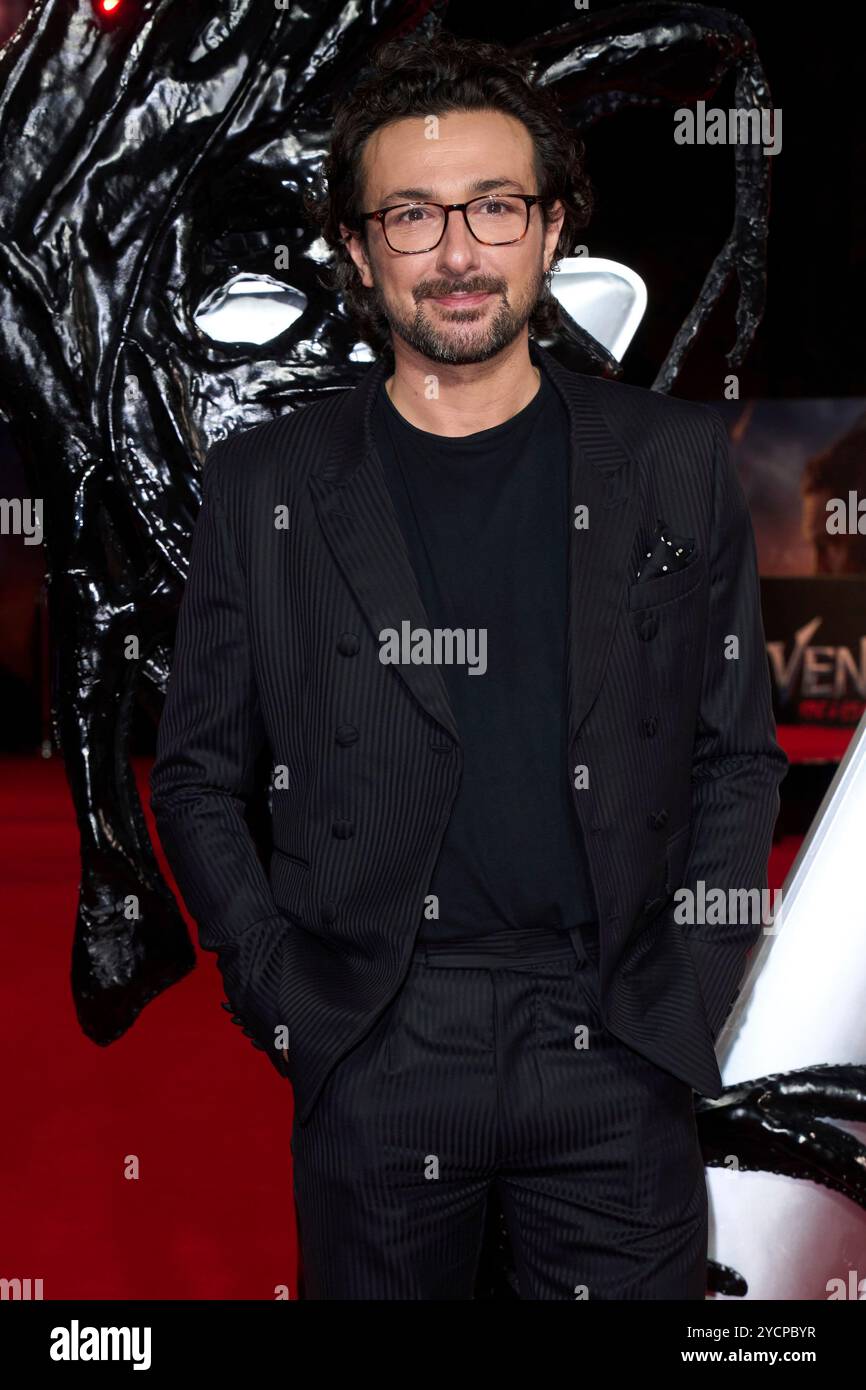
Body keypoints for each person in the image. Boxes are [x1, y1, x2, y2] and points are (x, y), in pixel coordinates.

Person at [150, 31, 788, 1300]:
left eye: (493, 207)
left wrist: (685, 998)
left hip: (608, 1038)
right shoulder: (266, 485)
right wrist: (287, 995)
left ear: (550, 231)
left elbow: (736, 754)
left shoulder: (666, 460)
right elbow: (197, 775)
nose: (456, 252)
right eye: (411, 216)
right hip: (380, 1041)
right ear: (356, 251)